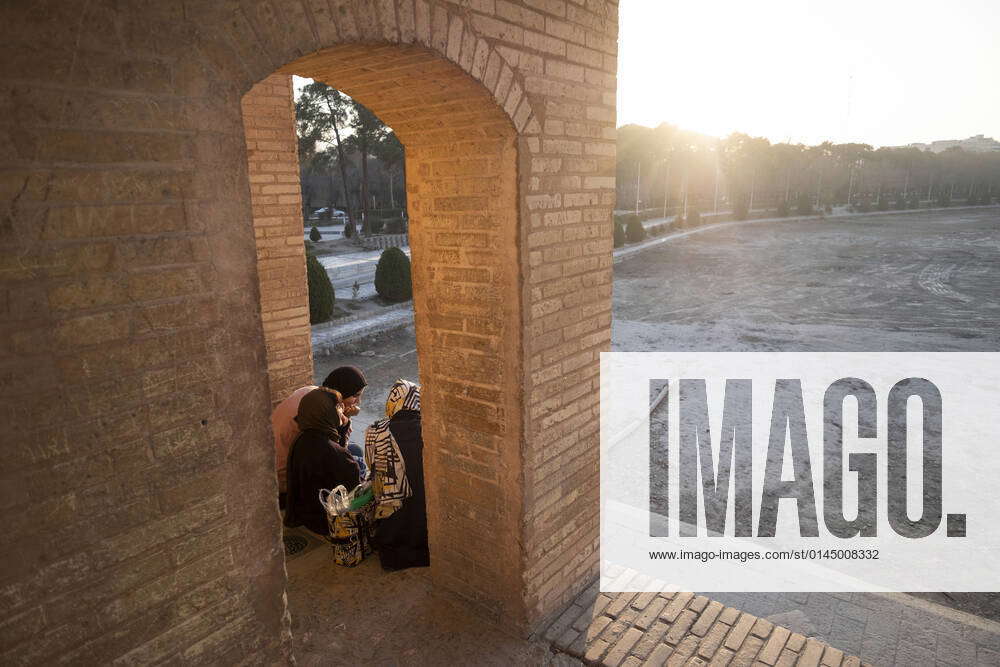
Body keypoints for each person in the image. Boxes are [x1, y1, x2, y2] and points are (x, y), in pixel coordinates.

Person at [272, 366, 368, 504]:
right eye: (356, 396)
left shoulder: (311, 394)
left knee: (354, 453)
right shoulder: (317, 424)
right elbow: (337, 450)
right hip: (287, 484)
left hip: (280, 467)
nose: (358, 402)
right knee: (355, 460)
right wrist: (345, 420)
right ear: (342, 392)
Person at [364, 379, 429, 570]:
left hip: (390, 535)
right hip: (423, 534)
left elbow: (371, 468)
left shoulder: (375, 432)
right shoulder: (428, 431)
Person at [283, 387, 361, 536]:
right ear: (327, 412)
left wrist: (343, 427)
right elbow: (353, 484)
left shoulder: (302, 438)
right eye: (338, 406)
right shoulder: (332, 451)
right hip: (327, 523)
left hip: (307, 517)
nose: (342, 409)